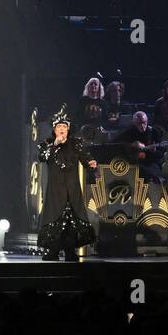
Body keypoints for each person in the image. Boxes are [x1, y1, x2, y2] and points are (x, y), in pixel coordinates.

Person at [36, 110, 97, 261]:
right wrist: (56, 144)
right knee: (55, 218)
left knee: (71, 219)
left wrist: (91, 163)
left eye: (64, 126)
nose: (62, 129)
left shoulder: (76, 144)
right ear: (54, 129)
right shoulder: (47, 144)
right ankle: (54, 251)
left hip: (72, 187)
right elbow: (43, 157)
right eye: (59, 127)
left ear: (68, 128)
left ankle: (70, 251)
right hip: (56, 189)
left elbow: (85, 158)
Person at [118, 111, 166, 183]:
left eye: (144, 122)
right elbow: (116, 143)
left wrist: (150, 153)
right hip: (134, 163)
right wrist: (132, 147)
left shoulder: (154, 132)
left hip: (151, 163)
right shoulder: (129, 132)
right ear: (134, 123)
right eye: (139, 123)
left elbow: (161, 153)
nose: (142, 125)